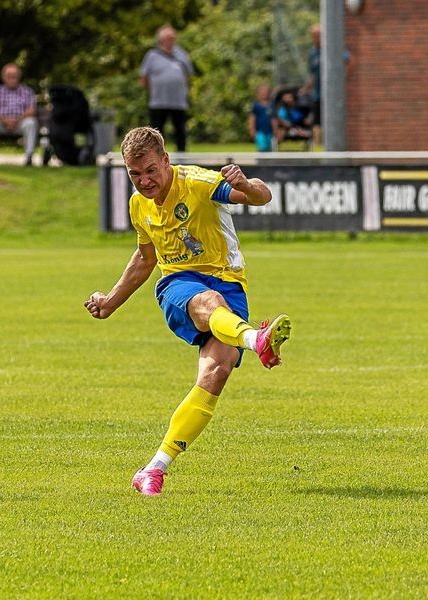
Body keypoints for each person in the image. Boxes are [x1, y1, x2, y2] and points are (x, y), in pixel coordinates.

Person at [84, 126, 292, 496]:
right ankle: (255, 338)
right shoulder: (139, 204)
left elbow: (262, 196)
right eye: (135, 175)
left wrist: (245, 183)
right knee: (208, 304)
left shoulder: (198, 182)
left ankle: (154, 468)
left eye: (150, 170)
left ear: (166, 160)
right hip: (178, 285)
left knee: (215, 373)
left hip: (228, 284)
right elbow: (146, 259)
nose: (144, 181)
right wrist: (111, 301)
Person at [140, 24, 194, 152]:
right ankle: (155, 155)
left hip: (179, 102)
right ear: (161, 40)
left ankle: (182, 156)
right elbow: (144, 78)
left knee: (180, 130)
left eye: (173, 38)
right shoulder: (152, 55)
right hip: (158, 102)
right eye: (169, 38)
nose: (172, 41)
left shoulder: (182, 54)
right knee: (156, 132)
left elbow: (188, 76)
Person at [0, 63, 38, 166]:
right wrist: (4, 120)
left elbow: (32, 110)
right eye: (9, 76)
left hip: (20, 123)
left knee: (31, 123)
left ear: (18, 76)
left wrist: (17, 120)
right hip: (0, 123)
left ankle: (29, 158)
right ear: (3, 77)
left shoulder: (27, 91)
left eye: (14, 76)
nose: (12, 78)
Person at [247, 84, 275, 152]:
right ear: (258, 94)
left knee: (271, 148)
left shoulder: (272, 105)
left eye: (266, 92)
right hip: (260, 132)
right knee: (262, 148)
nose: (264, 94)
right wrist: (252, 130)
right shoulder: (256, 106)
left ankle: (269, 162)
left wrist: (276, 130)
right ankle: (261, 161)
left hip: (270, 131)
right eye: (262, 92)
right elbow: (252, 119)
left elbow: (274, 119)